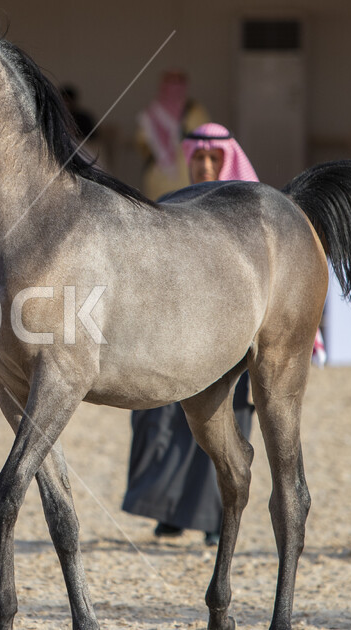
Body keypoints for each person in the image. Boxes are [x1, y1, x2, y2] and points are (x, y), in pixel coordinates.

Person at [122, 123, 257, 546]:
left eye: (212, 159)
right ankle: (168, 512)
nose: (203, 165)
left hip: (229, 336)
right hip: (172, 334)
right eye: (198, 157)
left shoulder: (250, 214)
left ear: (226, 160)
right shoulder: (168, 205)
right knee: (159, 416)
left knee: (224, 420)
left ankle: (217, 518)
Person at [135, 70, 209, 200]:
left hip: (187, 172)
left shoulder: (194, 110)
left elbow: (205, 137)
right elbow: (142, 142)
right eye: (170, 83)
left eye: (178, 84)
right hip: (158, 174)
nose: (174, 90)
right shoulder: (152, 112)